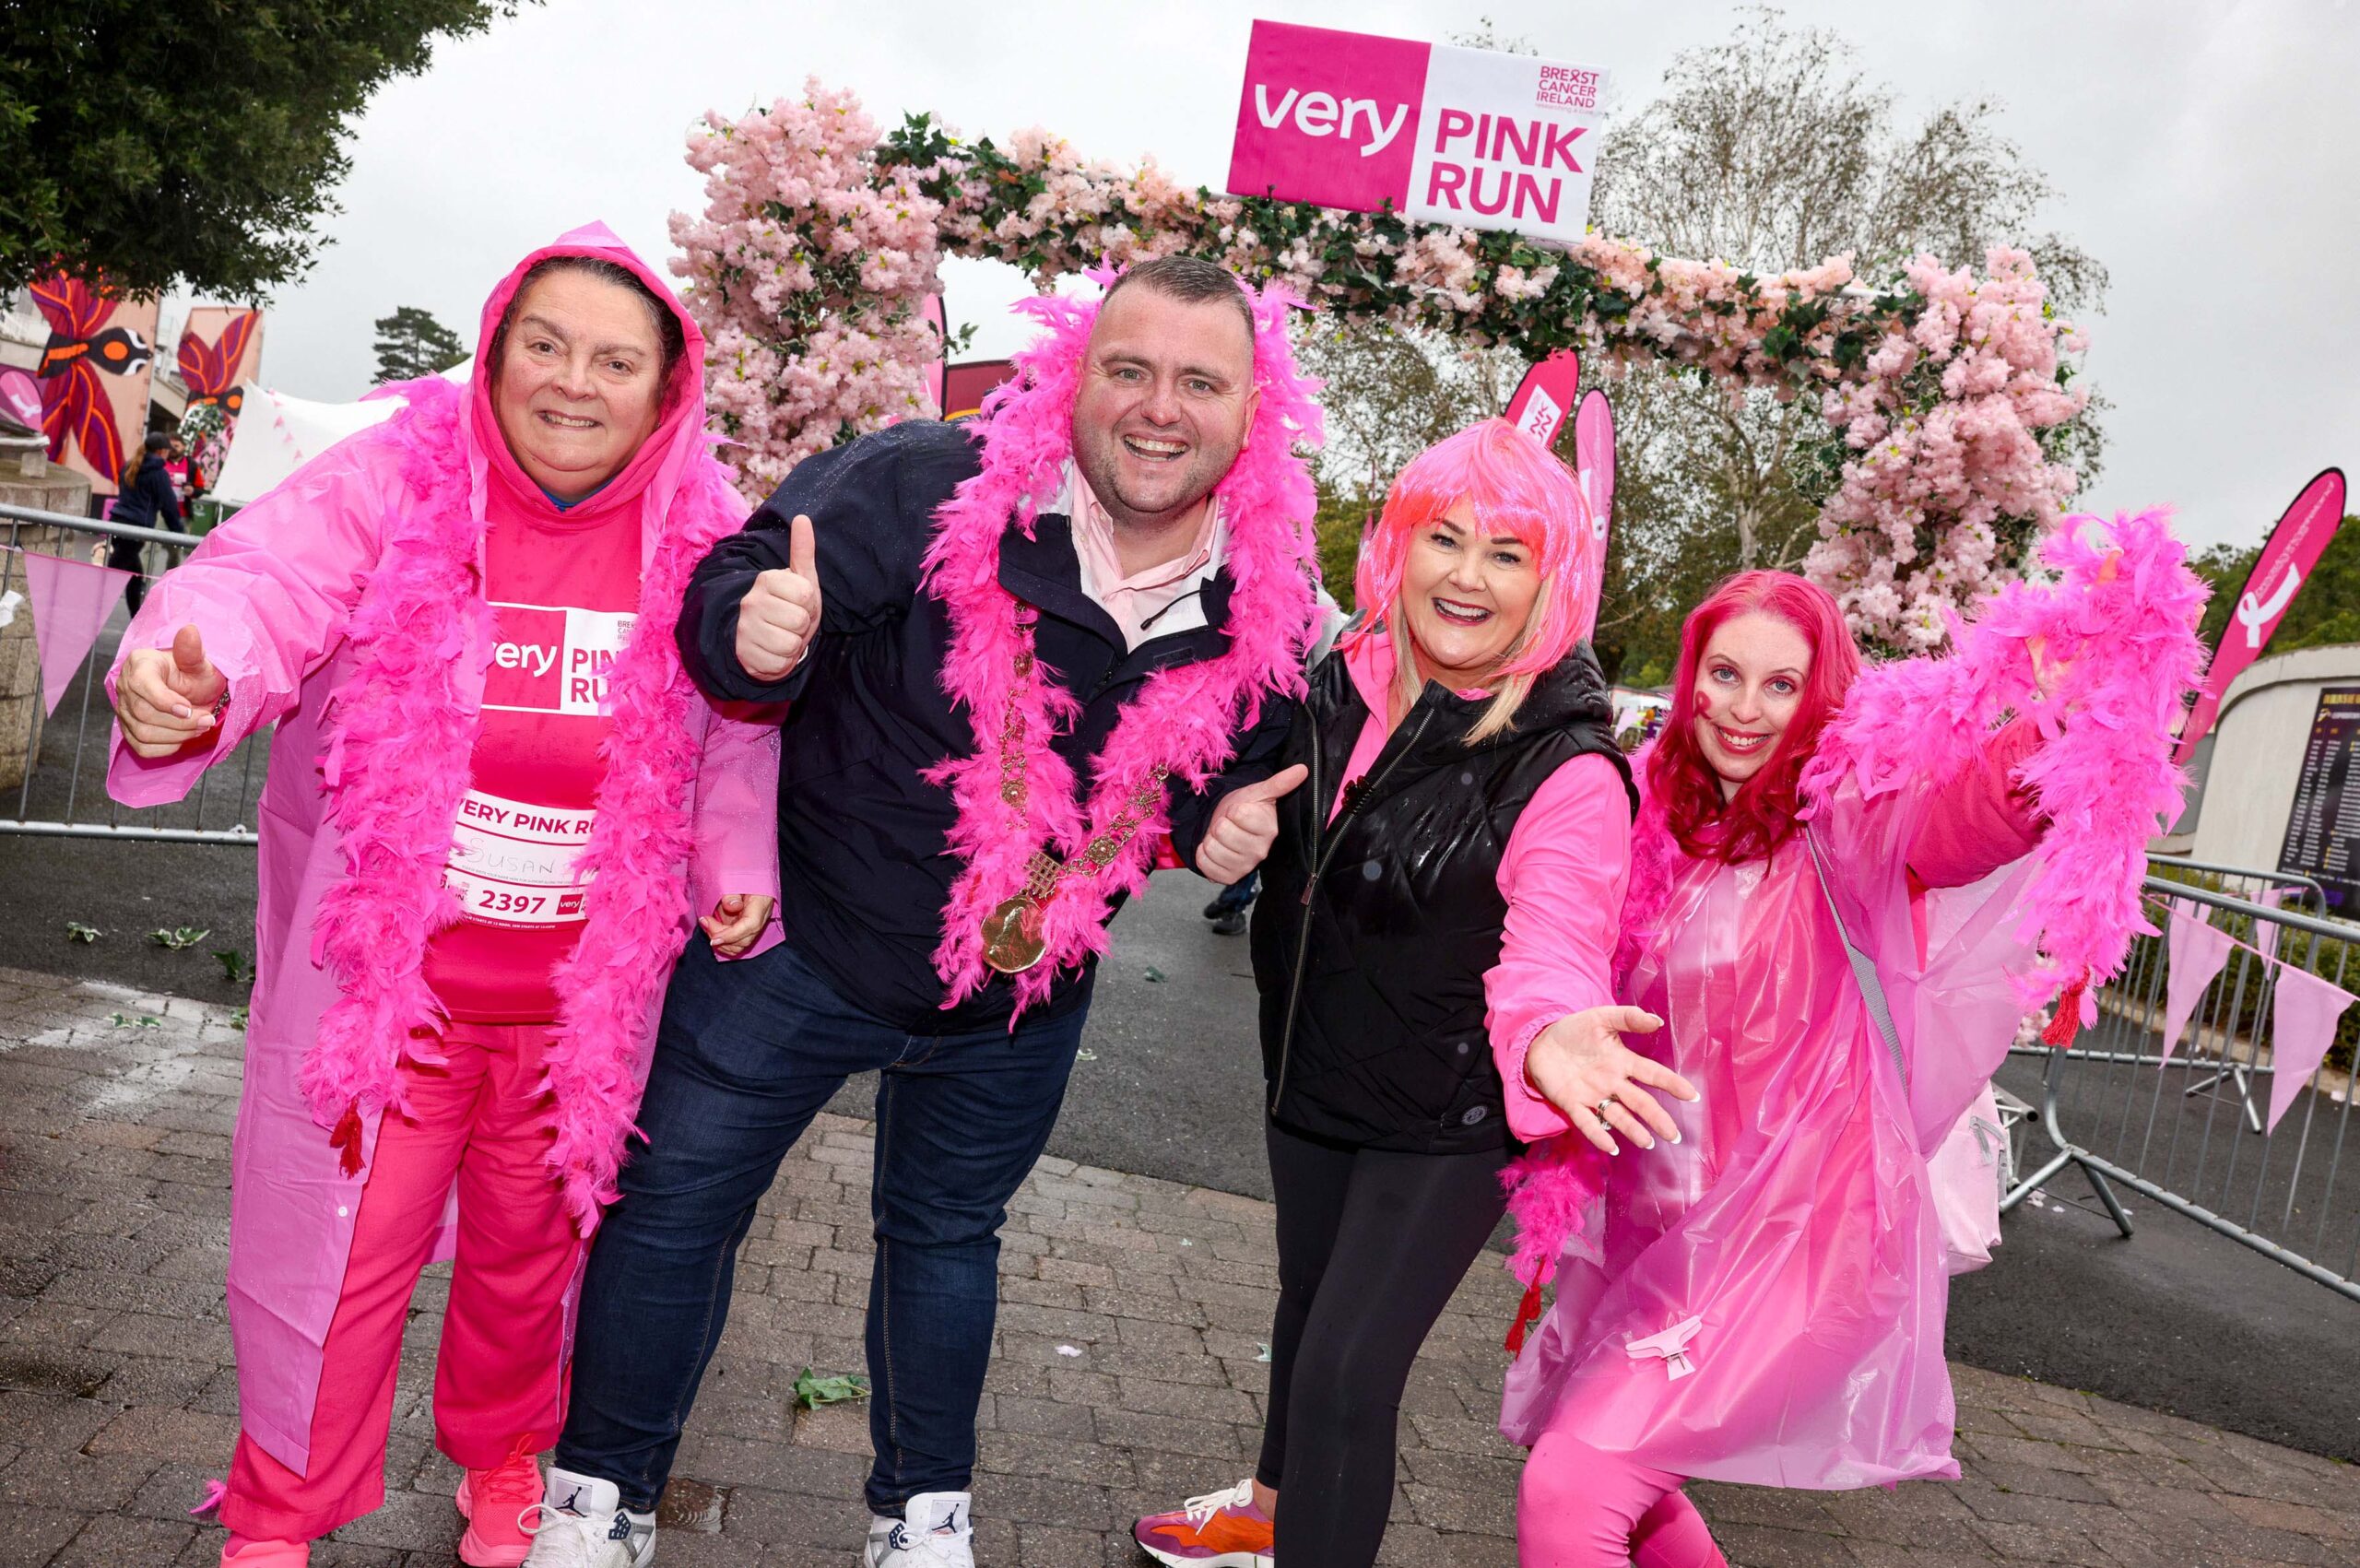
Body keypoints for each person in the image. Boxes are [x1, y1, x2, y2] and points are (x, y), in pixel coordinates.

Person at [524, 255, 1325, 1568]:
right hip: (798, 955)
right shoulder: (922, 481)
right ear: (1076, 372)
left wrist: (1218, 825)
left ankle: (922, 1522)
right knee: (670, 1210)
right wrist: (754, 631)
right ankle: (600, 1502)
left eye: (1199, 381)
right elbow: (735, 582)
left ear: (1252, 408)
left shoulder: (1265, 605)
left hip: (1017, 1002)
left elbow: (1226, 773)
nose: (1158, 407)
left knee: (948, 1240)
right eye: (1127, 369)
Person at [105, 222, 782, 1568]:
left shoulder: (708, 532)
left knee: (532, 1276)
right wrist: (187, 679)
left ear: (666, 390)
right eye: (544, 345)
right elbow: (259, 584)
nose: (572, 383)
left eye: (613, 360)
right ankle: (281, 1508)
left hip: (576, 1018)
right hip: (387, 1001)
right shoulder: (396, 479)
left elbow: (735, 731)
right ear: (496, 353)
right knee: (336, 1267)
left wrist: (739, 869)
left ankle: (504, 1461)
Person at [1494, 518, 2204, 1567]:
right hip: (1664, 1221)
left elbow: (1964, 820)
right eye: (1723, 674)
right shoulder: (1649, 815)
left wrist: (2060, 721)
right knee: (1622, 1479)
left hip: (1799, 1231)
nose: (1742, 709)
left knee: (1574, 1486)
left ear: (1820, 698)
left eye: (1780, 686)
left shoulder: (1845, 818)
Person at [1133, 419, 1639, 1568]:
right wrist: (1211, 827)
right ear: (1395, 547)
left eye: (1507, 555)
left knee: (1347, 1378)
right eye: (1444, 539)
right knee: (1306, 1313)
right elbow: (1194, 781)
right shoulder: (1327, 685)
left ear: (1548, 583)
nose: (1466, 575)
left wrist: (1556, 1033)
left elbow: (1555, 940)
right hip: (1309, 1079)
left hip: (1448, 1117)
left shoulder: (1566, 767)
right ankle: (1269, 1512)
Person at [106, 429, 183, 612]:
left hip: (117, 524)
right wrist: (179, 533)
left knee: (135, 576)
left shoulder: (129, 466)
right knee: (111, 577)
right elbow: (169, 506)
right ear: (161, 452)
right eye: (166, 452)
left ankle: (136, 623)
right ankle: (86, 617)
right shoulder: (159, 474)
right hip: (136, 531)